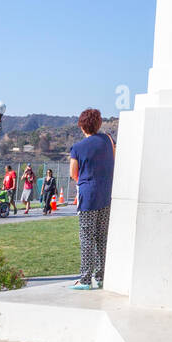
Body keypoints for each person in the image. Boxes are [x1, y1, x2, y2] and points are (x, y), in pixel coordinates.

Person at [69, 108, 115, 290]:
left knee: (86, 237)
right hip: (106, 193)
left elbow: (74, 173)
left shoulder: (78, 148)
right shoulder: (108, 140)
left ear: (82, 126)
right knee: (102, 237)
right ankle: (101, 276)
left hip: (88, 196)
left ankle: (85, 279)